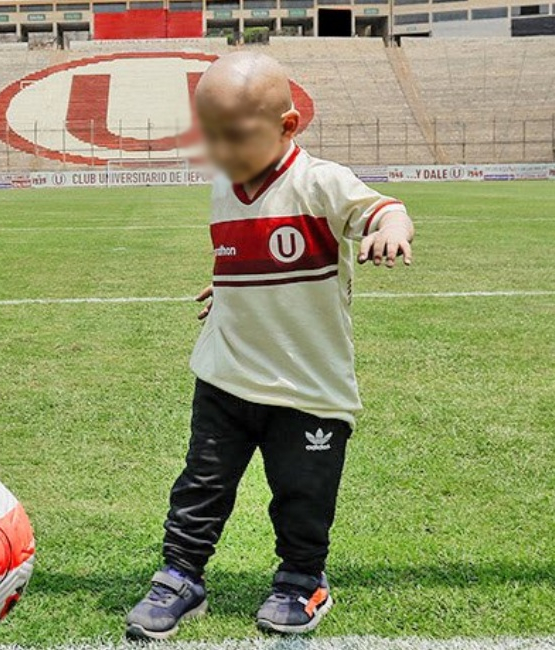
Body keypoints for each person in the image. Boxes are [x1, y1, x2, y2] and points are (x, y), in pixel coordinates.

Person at [124, 52, 415, 640]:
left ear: (288, 126)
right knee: (200, 486)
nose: (220, 151)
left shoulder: (320, 182)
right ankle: (181, 575)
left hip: (308, 386)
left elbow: (385, 209)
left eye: (235, 136)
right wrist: (232, 289)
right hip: (226, 373)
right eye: (209, 136)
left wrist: (390, 231)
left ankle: (301, 580)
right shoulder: (224, 186)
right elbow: (244, 256)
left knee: (302, 496)